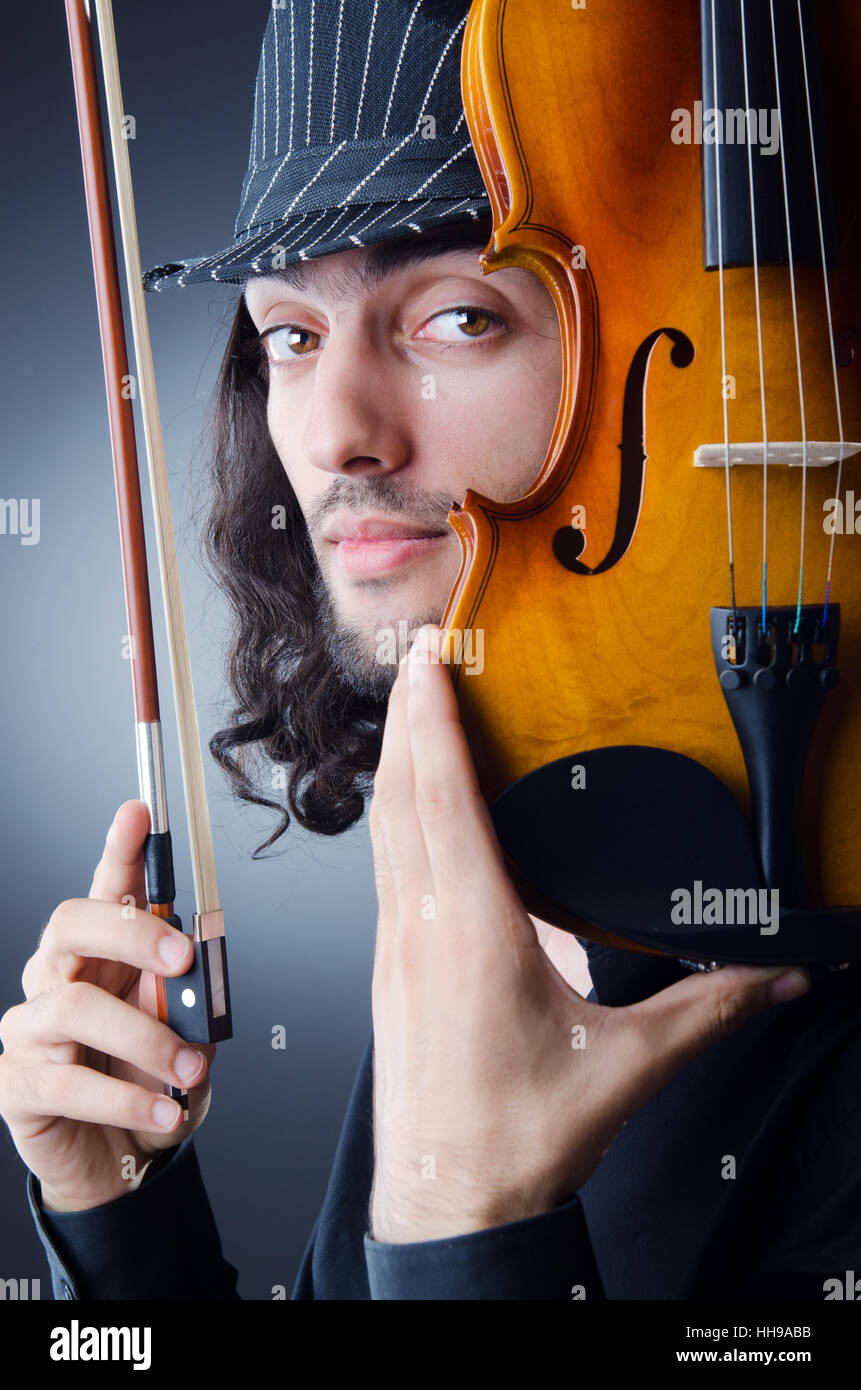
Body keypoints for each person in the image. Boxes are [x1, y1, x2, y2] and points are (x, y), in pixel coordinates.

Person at [3, 0, 859, 1301]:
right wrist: (117, 1226)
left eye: (457, 317)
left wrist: (463, 1207)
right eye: (290, 333)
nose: (335, 432)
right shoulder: (501, 863)